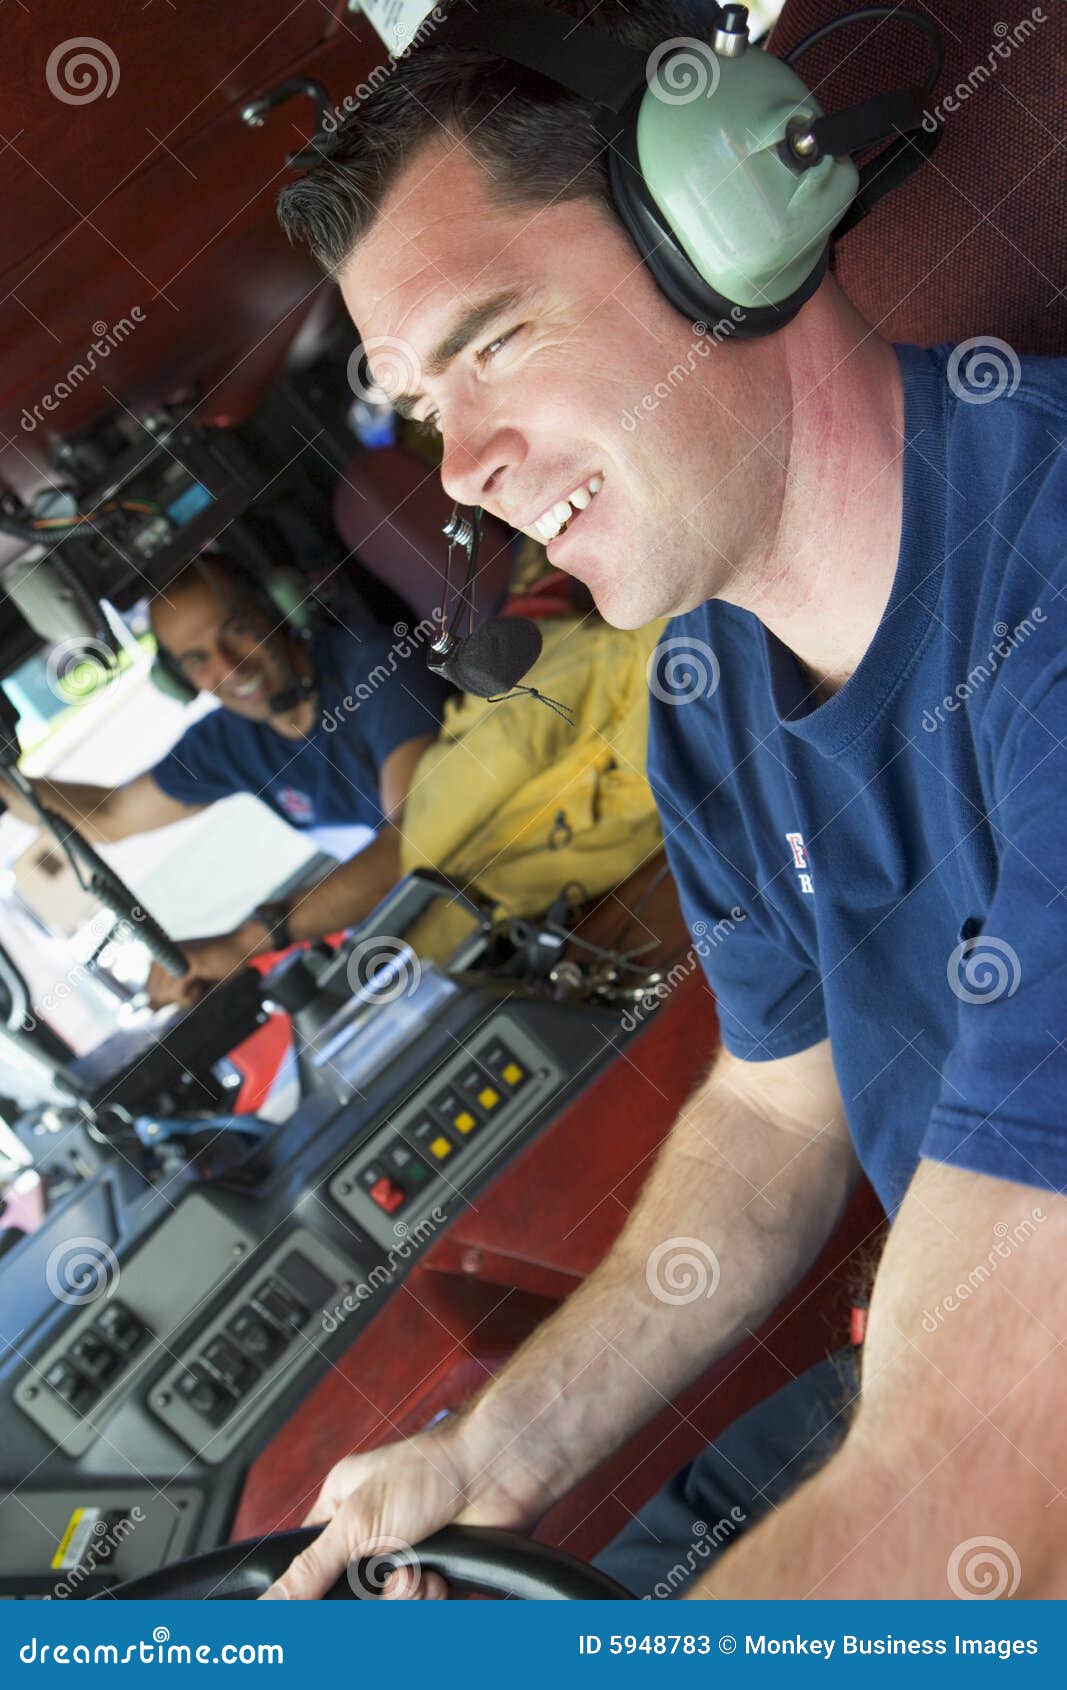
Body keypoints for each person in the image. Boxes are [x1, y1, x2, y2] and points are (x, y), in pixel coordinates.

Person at [261, 0, 1067, 1601]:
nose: (465, 469)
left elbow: (978, 1466)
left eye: (492, 341)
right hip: (916, 1382)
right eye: (424, 411)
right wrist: (493, 1454)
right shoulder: (705, 695)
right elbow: (777, 1108)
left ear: (723, 229)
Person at [1, 555, 449, 1001]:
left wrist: (242, 943)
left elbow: (416, 845)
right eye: (198, 660)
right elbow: (108, 817)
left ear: (276, 606)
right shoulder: (227, 742)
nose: (231, 668)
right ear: (179, 679)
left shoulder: (377, 668)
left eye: (235, 631)